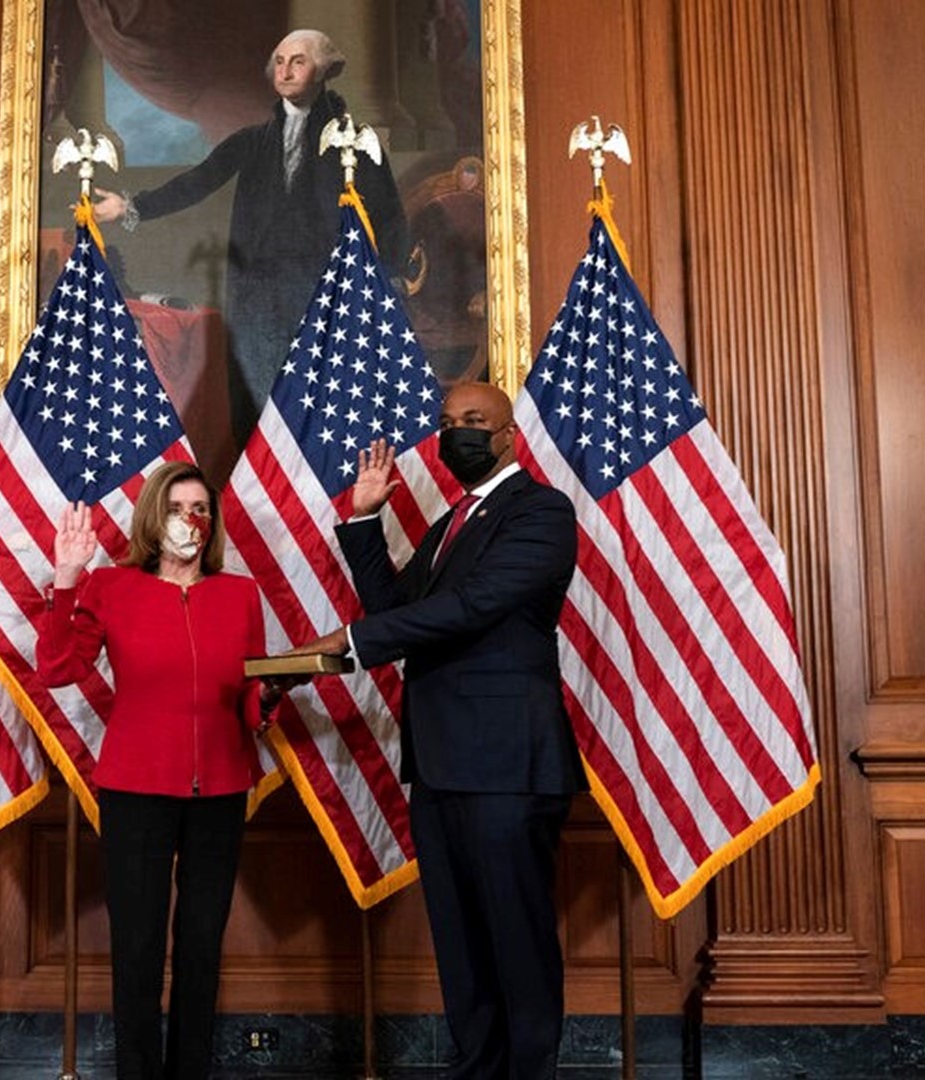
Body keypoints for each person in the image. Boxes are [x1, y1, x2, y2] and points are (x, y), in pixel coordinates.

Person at [295, 381, 583, 1079]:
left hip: (508, 765)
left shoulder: (541, 511)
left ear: (509, 436)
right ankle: (476, 1069)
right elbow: (398, 611)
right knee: (460, 940)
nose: (459, 433)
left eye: (475, 421)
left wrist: (352, 641)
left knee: (516, 939)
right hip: (439, 761)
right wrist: (366, 519)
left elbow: (474, 606)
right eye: (449, 422)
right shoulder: (453, 521)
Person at [35, 459, 295, 1080]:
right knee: (139, 946)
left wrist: (271, 693)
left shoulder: (239, 594)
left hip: (222, 789)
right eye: (177, 509)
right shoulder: (111, 587)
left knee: (202, 945)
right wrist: (67, 579)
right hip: (136, 789)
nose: (190, 520)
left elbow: (248, 700)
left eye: (200, 509)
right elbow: (57, 669)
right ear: (154, 517)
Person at [93, 28, 408, 451]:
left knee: (325, 415)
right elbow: (197, 182)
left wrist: (388, 279)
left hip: (326, 297)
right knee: (261, 414)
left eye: (298, 61)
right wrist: (130, 206)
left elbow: (388, 215)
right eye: (280, 62)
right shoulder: (253, 141)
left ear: (323, 70)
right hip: (259, 303)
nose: (286, 71)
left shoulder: (352, 143)